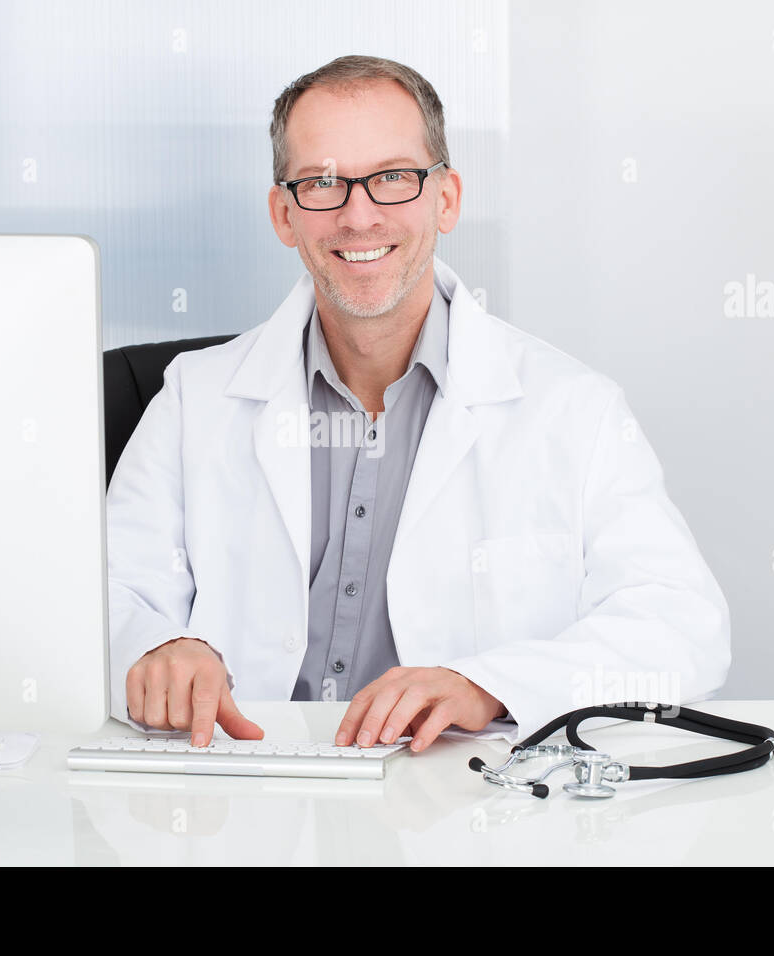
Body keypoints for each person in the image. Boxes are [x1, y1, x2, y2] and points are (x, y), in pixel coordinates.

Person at [107, 55, 730, 754]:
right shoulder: (194, 396)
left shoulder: (576, 411)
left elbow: (684, 625)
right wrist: (157, 646)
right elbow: (103, 596)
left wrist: (490, 684)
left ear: (446, 199)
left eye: (394, 178)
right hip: (243, 797)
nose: (358, 214)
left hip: (459, 810)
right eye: (322, 183)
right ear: (284, 214)